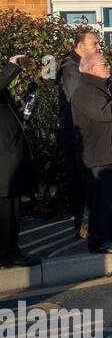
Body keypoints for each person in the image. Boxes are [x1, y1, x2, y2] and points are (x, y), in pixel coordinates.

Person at [70, 52, 112, 254]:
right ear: (90, 68)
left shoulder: (104, 87)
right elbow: (107, 113)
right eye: (104, 64)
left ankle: (111, 236)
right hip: (99, 155)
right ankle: (98, 241)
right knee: (101, 203)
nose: (108, 66)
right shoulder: (84, 90)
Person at [57, 26, 101, 239]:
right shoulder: (70, 67)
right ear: (79, 46)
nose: (99, 47)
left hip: (89, 131)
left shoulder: (86, 65)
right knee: (80, 179)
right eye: (95, 43)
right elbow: (81, 97)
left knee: (93, 179)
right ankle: (83, 224)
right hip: (76, 133)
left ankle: (96, 220)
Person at [0, 55, 38, 269]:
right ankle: (8, 254)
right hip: (3, 158)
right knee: (6, 211)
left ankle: (10, 251)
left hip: (9, 155)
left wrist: (20, 109)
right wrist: (13, 65)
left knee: (11, 209)